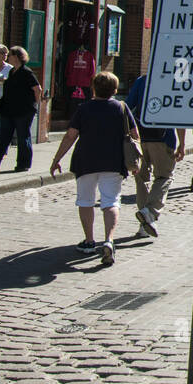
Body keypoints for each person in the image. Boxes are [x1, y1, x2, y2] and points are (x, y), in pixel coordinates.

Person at [49, 71, 141, 266]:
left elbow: (70, 136)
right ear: (115, 89)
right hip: (114, 162)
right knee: (111, 201)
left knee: (85, 201)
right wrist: (135, 161)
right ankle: (109, 239)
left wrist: (57, 158)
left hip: (86, 161)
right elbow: (135, 135)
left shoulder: (84, 109)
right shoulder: (122, 108)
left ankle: (89, 241)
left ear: (93, 88)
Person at [125, 73, 186, 238]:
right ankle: (150, 212)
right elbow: (180, 114)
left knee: (141, 179)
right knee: (164, 177)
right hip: (163, 137)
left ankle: (144, 226)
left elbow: (128, 108)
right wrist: (182, 142)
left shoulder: (141, 80)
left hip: (140, 137)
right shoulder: (175, 81)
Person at [0, 46, 41, 172]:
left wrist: (34, 105)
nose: (8, 57)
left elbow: (37, 89)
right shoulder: (11, 72)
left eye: (11, 55)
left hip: (24, 111)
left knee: (23, 137)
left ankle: (23, 164)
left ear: (17, 57)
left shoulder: (26, 72)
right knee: (4, 136)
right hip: (9, 109)